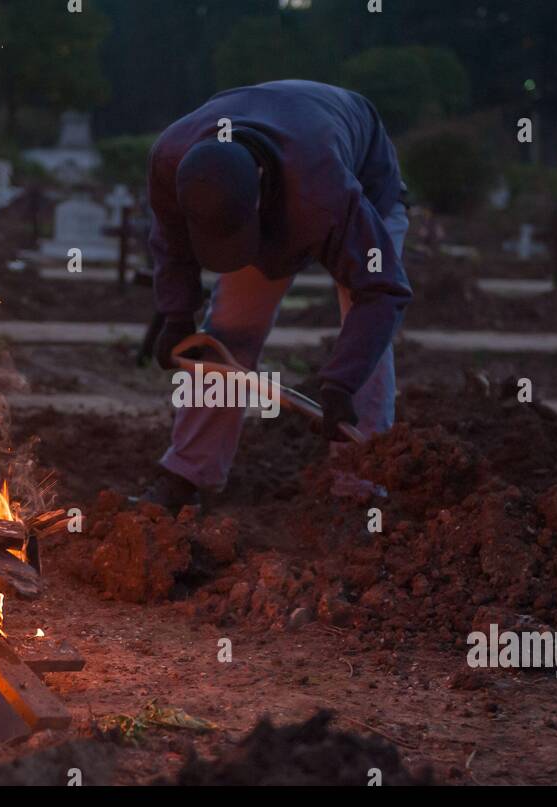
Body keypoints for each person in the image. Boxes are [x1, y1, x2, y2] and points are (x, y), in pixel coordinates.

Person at [141, 79, 411, 509]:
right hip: (272, 171)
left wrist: (342, 382)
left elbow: (380, 290)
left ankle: (361, 485)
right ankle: (188, 472)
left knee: (365, 331)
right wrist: (176, 314)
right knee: (228, 330)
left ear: (259, 185)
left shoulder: (325, 192)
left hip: (363, 182)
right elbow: (172, 242)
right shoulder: (173, 162)